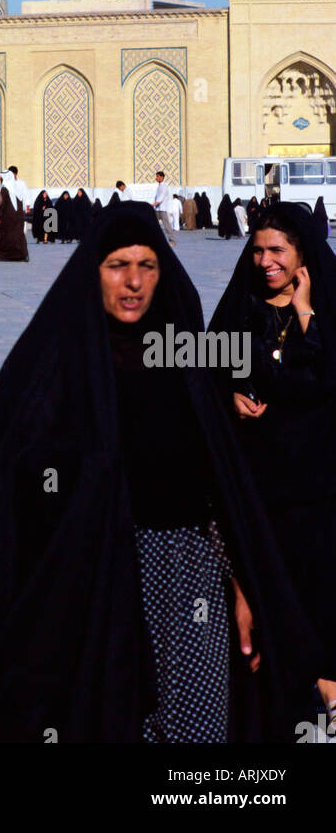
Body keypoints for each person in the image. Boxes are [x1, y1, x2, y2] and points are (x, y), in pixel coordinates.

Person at [0, 202, 322, 743]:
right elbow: (9, 496)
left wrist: (242, 588)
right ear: (93, 270)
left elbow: (219, 488)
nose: (133, 282)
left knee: (195, 728)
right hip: (84, 579)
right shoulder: (55, 364)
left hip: (184, 574)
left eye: (147, 266)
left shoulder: (185, 360)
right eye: (117, 265)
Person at [209, 203, 336, 727]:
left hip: (320, 481)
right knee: (266, 592)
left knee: (322, 590)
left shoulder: (326, 306)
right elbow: (201, 369)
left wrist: (305, 311)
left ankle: (329, 695)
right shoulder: (243, 308)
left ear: (301, 254)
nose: (264, 261)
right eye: (257, 249)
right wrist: (229, 394)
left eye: (277, 251)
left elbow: (322, 382)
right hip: (257, 483)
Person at [0, 170, 28, 261]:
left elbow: (2, 205)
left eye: (1, 177)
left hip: (8, 217)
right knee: (18, 236)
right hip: (19, 217)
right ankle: (23, 254)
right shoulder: (17, 188)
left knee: (3, 236)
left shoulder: (5, 189)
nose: (0, 179)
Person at [152, 170, 176, 247]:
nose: (156, 178)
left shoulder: (164, 186)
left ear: (162, 177)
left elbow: (161, 197)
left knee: (166, 226)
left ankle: (172, 241)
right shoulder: (159, 186)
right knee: (153, 224)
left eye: (157, 176)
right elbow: (156, 197)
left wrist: (154, 204)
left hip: (162, 209)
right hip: (157, 209)